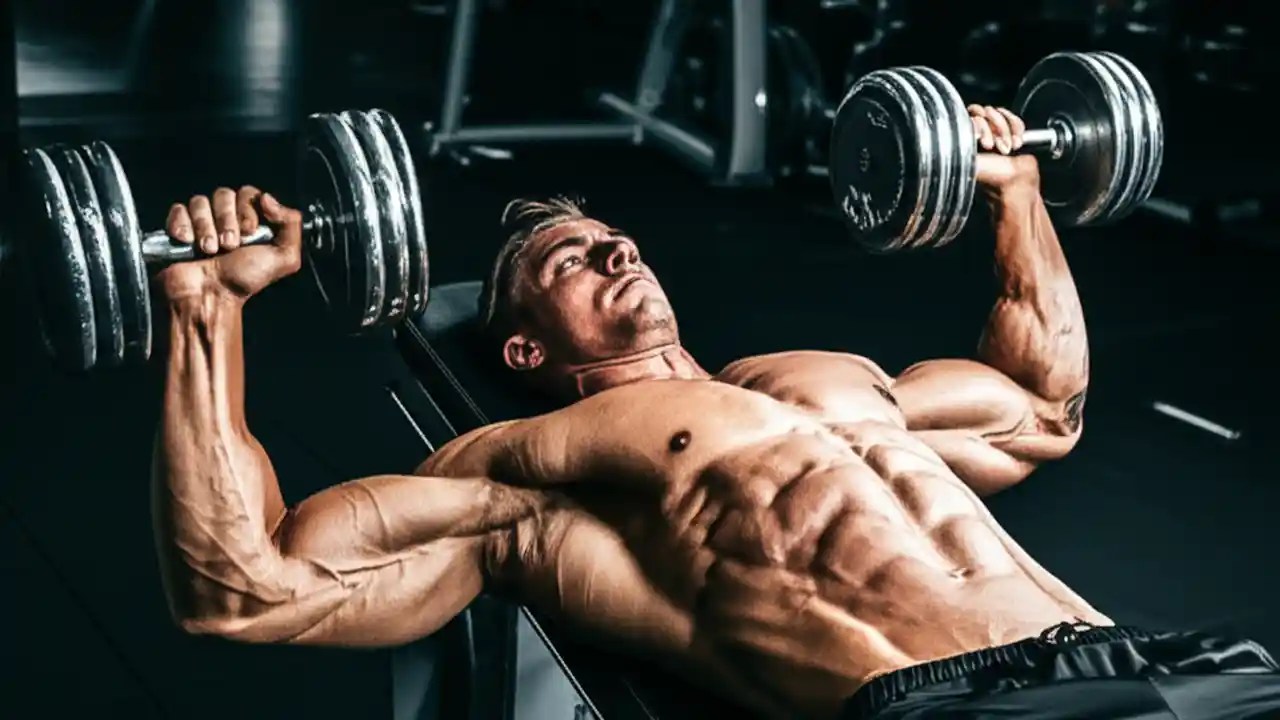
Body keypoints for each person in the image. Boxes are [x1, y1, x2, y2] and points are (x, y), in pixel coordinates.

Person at [151, 105, 1280, 719]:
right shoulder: (534, 471)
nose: (611, 247)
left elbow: (1041, 407)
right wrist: (207, 316)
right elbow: (246, 589)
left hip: (1139, 656)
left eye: (611, 238)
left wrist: (1018, 196)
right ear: (521, 346)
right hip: (941, 705)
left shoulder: (825, 382)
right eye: (567, 262)